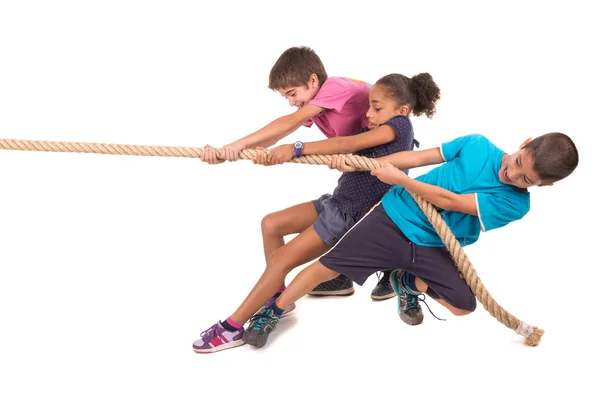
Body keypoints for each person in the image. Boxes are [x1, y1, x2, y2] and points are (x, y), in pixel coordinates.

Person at [235, 131, 578, 348]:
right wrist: (372, 165)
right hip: (392, 218)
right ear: (523, 143)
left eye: (525, 179)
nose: (512, 174)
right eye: (519, 162)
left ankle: (406, 282)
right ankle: (273, 311)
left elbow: (451, 203)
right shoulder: (477, 146)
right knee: (323, 268)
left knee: (464, 305)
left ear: (542, 187)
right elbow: (417, 157)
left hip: (432, 245)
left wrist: (402, 180)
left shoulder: (516, 204)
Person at [193, 72, 441, 353]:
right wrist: (263, 151)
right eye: (370, 106)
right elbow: (344, 149)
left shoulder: (398, 126)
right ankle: (276, 294)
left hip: (350, 215)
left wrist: (294, 149)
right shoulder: (380, 126)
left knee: (281, 260)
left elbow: (345, 144)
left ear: (402, 110)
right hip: (336, 202)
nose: (369, 113)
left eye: (376, 108)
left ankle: (232, 328)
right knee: (271, 223)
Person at [201, 45, 404, 298]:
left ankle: (396, 271)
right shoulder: (317, 105)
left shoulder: (334, 88)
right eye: (285, 97)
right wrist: (228, 153)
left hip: (380, 170)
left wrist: (243, 145)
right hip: (355, 176)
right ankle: (279, 293)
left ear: (313, 80)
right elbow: (282, 132)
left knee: (379, 223)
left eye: (292, 93)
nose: (291, 102)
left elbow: (290, 125)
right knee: (271, 223)